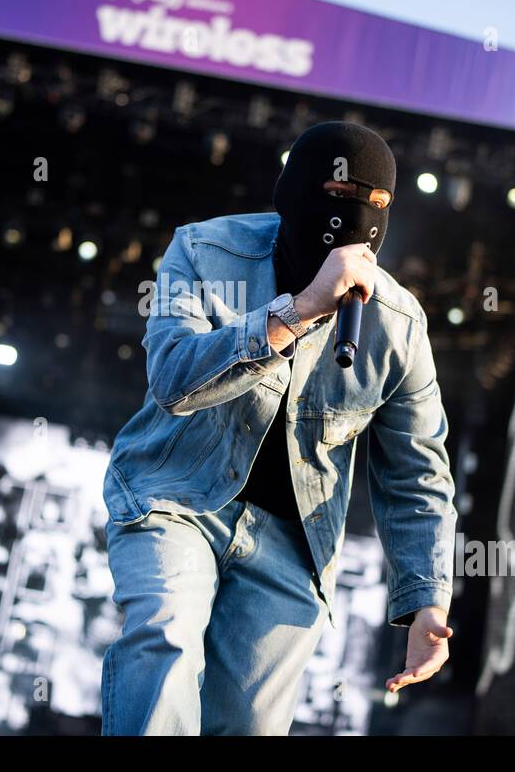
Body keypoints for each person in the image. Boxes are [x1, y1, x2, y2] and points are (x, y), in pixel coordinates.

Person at [100, 121, 456, 735]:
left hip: (293, 545)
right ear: (293, 195)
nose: (355, 221)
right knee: (165, 641)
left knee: (247, 726)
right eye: (338, 198)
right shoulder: (205, 252)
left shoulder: (398, 324)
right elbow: (174, 380)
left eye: (375, 207)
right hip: (177, 499)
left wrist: (427, 600)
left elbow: (418, 470)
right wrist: (298, 309)